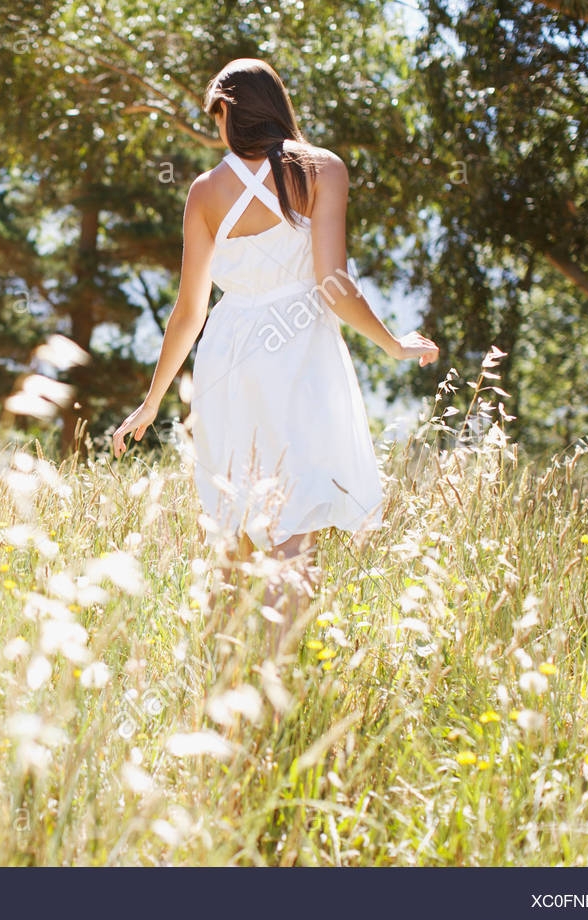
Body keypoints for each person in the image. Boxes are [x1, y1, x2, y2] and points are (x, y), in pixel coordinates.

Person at [112, 57, 438, 614]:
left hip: (229, 354)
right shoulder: (323, 170)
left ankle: (235, 678)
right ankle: (279, 678)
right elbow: (332, 285)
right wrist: (394, 344)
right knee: (294, 520)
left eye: (220, 117)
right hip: (299, 351)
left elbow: (190, 311)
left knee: (237, 520)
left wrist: (153, 400)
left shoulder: (204, 191)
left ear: (231, 114)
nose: (220, 131)